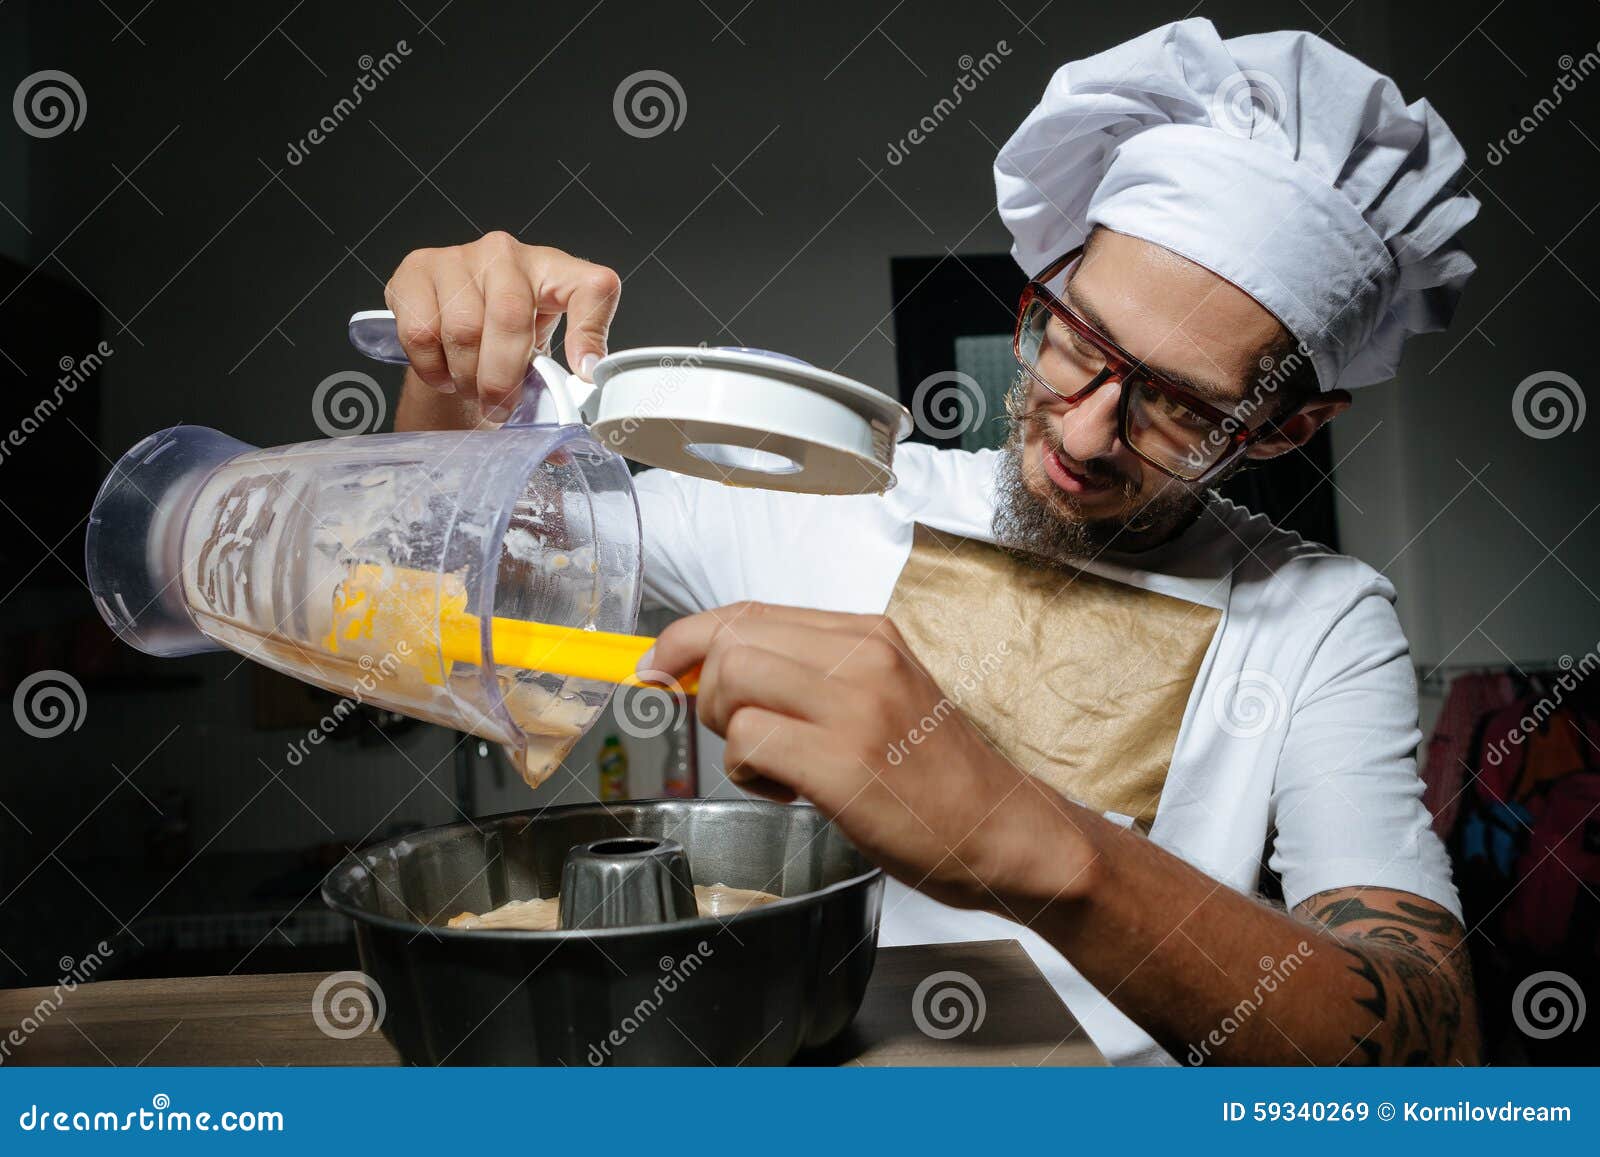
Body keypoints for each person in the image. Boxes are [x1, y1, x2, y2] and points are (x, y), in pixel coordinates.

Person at [387, 19, 1481, 1065]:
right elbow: (413, 614)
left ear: (1287, 429)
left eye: (1181, 408)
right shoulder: (808, 497)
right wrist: (449, 387)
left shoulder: (1320, 621)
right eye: (1076, 342)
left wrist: (1035, 842)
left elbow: (1429, 1046)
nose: (1089, 430)